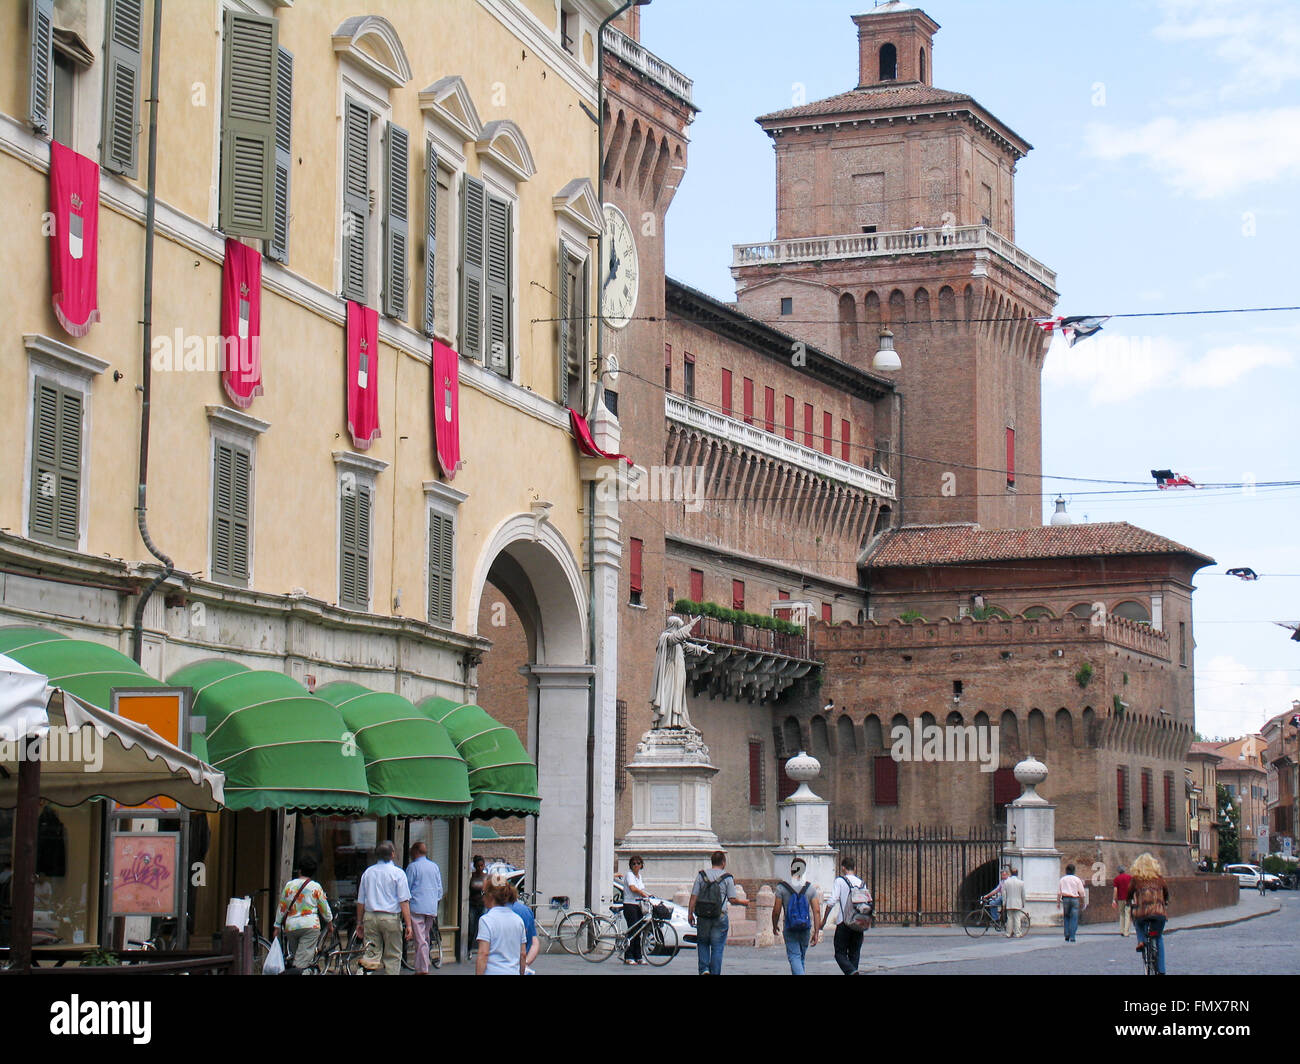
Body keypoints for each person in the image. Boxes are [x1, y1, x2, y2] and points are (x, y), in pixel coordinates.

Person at [355, 840, 413, 975]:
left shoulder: (368, 873)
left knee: (370, 953)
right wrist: (409, 924)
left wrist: (359, 922)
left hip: (370, 916)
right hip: (390, 918)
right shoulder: (398, 873)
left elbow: (361, 901)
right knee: (393, 955)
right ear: (392, 854)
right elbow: (404, 901)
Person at [688, 850, 747, 975]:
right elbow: (732, 899)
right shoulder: (727, 878)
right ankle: (715, 972)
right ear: (723, 863)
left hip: (703, 916)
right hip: (719, 916)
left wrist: (690, 913)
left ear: (712, 862)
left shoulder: (701, 875)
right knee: (717, 947)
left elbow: (693, 897)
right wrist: (744, 903)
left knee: (703, 943)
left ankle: (704, 969)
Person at [271, 855, 332, 969]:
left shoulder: (290, 885)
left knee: (297, 957)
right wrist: (329, 923)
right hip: (310, 926)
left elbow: (282, 907)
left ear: (299, 870)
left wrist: (277, 926)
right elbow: (324, 908)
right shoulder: (315, 887)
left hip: (291, 926)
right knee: (301, 962)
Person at [772, 857, 822, 975]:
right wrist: (816, 931)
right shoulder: (810, 888)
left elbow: (776, 911)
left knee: (794, 956)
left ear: (791, 870)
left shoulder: (782, 888)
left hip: (790, 926)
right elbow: (817, 911)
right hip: (805, 927)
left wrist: (774, 925)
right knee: (801, 958)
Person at [1127, 852, 1170, 974]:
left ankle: (1141, 941)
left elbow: (1129, 894)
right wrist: (1165, 902)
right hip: (1158, 915)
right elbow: (1166, 893)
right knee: (1158, 937)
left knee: (1137, 922)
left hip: (1143, 914)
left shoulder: (1136, 880)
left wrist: (1128, 902)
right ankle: (1161, 970)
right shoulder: (1160, 879)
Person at [476, 874, 527, 975]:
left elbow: (483, 953)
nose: (482, 898)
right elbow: (523, 954)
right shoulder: (518, 920)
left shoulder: (486, 920)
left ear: (490, 895)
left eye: (483, 893)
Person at [405, 841, 443, 974]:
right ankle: (421, 965)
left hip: (417, 907)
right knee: (424, 937)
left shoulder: (413, 867)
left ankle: (422, 969)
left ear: (415, 851)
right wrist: (435, 903)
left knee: (420, 939)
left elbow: (406, 889)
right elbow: (439, 890)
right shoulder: (434, 867)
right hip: (431, 907)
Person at [830, 856, 869, 974]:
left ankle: (852, 972)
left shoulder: (840, 881)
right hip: (859, 922)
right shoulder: (862, 883)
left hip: (844, 922)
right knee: (855, 953)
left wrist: (823, 919)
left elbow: (832, 901)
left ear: (843, 868)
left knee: (839, 953)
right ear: (855, 868)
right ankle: (853, 970)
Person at [622, 855, 651, 965]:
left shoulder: (639, 876)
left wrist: (648, 895)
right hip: (630, 905)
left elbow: (641, 888)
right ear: (631, 865)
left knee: (638, 931)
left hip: (638, 905)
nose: (636, 865)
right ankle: (628, 956)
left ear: (641, 865)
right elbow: (633, 888)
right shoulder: (629, 875)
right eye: (634, 863)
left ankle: (638, 956)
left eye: (638, 863)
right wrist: (642, 893)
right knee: (632, 930)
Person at [508, 883, 540, 973]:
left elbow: (484, 953)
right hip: (518, 966)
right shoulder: (526, 910)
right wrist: (525, 964)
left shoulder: (489, 916)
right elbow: (534, 943)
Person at [1057, 863, 1088, 942]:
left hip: (1065, 899)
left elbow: (1059, 892)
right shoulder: (1077, 879)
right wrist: (1084, 902)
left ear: (1066, 871)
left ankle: (1066, 934)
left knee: (1066, 917)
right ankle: (1072, 936)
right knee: (1074, 918)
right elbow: (1081, 892)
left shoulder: (1062, 879)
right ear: (1074, 871)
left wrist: (1058, 903)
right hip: (1074, 899)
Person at [467, 854, 487, 950]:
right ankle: (469, 948)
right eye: (478, 866)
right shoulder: (471, 876)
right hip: (473, 904)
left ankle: (481, 948)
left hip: (483, 904)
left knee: (483, 928)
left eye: (481, 866)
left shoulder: (486, 877)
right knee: (471, 927)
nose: (480, 868)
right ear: (475, 866)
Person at [1002, 867, 1026, 937]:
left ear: (1011, 873)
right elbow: (1023, 894)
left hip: (1009, 902)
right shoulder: (1021, 883)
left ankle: (1008, 933)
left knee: (1009, 918)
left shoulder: (1006, 882)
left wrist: (1004, 903)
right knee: (1017, 918)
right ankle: (1018, 933)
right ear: (1017, 873)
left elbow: (1004, 894)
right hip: (1018, 902)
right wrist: (1023, 902)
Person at [1112, 865, 1133, 937]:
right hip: (1128, 899)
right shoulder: (1129, 878)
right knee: (1127, 914)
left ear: (1118, 871)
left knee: (1121, 914)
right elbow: (1132, 888)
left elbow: (1115, 890)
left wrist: (1114, 899)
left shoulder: (1116, 879)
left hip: (1120, 898)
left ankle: (1121, 930)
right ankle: (1126, 932)